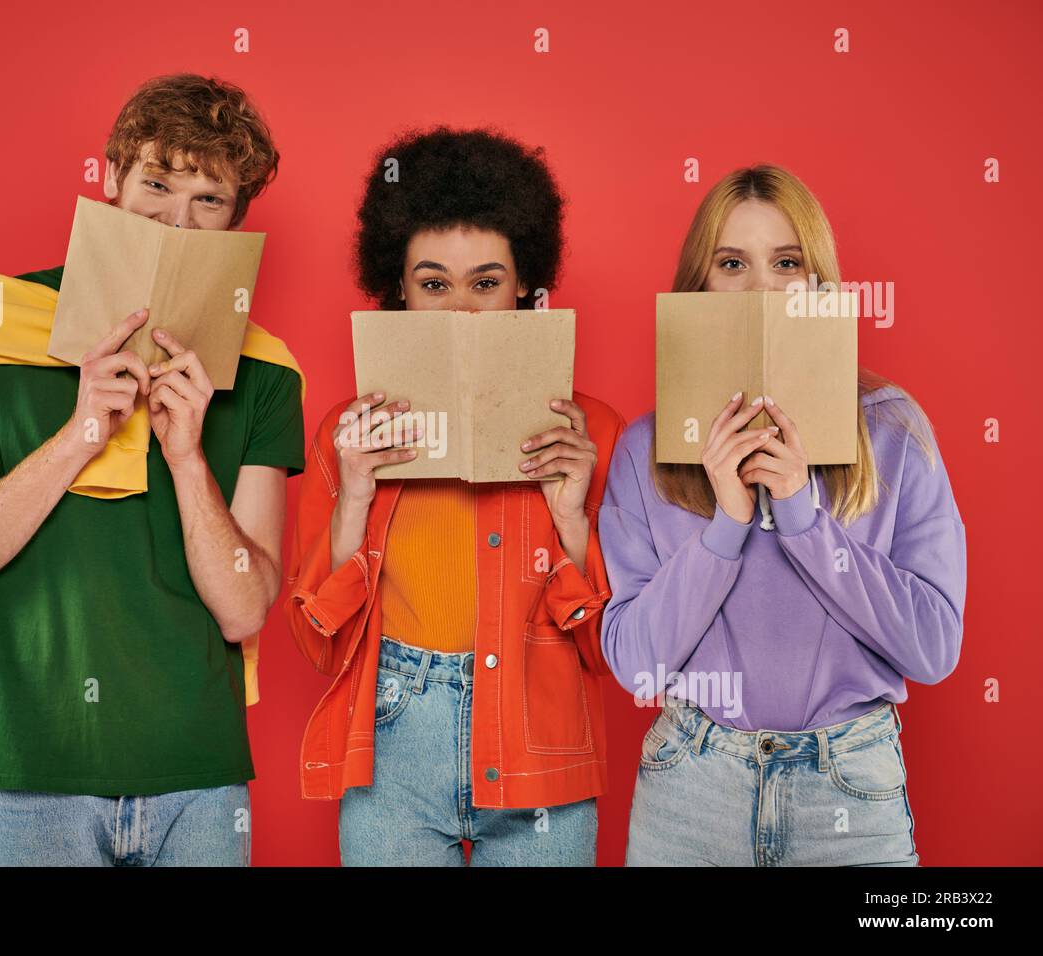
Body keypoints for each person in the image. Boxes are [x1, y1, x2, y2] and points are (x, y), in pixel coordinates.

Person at [0, 74, 306, 866]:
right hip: (28, 770)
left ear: (237, 221)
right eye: (156, 183)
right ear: (111, 180)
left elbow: (245, 610)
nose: (174, 220)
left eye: (208, 200)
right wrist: (80, 434)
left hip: (199, 777)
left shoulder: (265, 371)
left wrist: (187, 457)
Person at [599, 164, 966, 866]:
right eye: (732, 263)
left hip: (849, 791)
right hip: (692, 792)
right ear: (698, 286)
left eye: (786, 263)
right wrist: (726, 526)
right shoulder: (646, 449)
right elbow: (637, 667)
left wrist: (802, 516)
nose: (761, 288)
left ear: (817, 285)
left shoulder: (894, 432)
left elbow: (934, 647)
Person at [287, 128, 625, 866]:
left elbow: (616, 654)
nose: (462, 309)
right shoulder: (347, 434)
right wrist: (353, 497)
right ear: (398, 290)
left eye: (487, 281)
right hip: (394, 742)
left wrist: (571, 516)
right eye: (434, 283)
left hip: (542, 741)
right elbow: (316, 644)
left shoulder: (591, 432)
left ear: (524, 286)